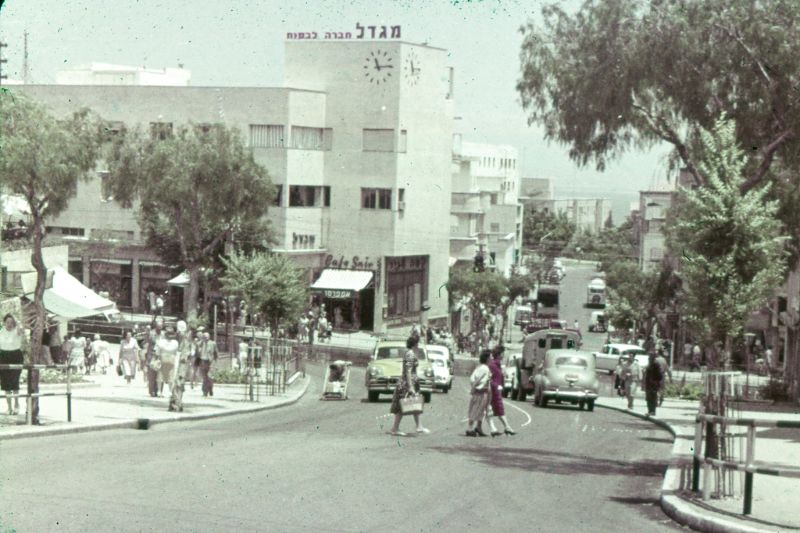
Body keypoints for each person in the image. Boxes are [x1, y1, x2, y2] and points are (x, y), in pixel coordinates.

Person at [388, 336, 429, 437]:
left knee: (415, 403)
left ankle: (419, 426)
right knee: (402, 405)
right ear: (415, 344)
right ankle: (395, 428)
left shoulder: (410, 353)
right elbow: (408, 371)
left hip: (411, 382)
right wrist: (410, 386)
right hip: (407, 383)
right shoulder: (410, 354)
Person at [487, 345, 515, 436]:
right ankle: (506, 427)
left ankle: (502, 427)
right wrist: (496, 386)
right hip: (493, 391)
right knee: (497, 408)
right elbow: (489, 378)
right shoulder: (493, 365)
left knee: (491, 409)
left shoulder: (498, 364)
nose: (504, 355)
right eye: (503, 353)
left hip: (496, 390)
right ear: (499, 354)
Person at [0, 314, 24, 415]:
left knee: (14, 382)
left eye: (11, 322)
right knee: (6, 384)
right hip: (3, 356)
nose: (9, 324)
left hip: (15, 356)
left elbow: (22, 328)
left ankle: (16, 405)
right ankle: (9, 407)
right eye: (7, 322)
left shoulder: (17, 330)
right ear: (4, 323)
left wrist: (17, 320)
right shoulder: (1, 331)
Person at [466, 350, 491, 437]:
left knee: (481, 410)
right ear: (487, 358)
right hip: (480, 392)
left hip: (482, 392)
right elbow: (477, 379)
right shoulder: (484, 368)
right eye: (490, 357)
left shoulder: (480, 367)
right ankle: (469, 429)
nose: (491, 359)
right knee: (475, 409)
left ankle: (479, 428)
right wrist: (473, 388)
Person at [157, 326, 180, 397]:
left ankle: (159, 391)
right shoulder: (175, 343)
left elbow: (158, 352)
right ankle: (170, 392)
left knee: (160, 376)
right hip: (172, 359)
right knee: (171, 376)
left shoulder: (161, 342)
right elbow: (176, 352)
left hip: (162, 358)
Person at [643, 352, 664, 416]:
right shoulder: (649, 365)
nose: (649, 358)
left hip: (654, 384)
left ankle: (653, 411)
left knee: (653, 397)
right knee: (648, 398)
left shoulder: (656, 365)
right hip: (648, 384)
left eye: (650, 357)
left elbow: (660, 375)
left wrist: (655, 381)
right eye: (649, 357)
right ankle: (649, 411)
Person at [197, 332, 217, 397]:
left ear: (209, 337)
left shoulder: (213, 343)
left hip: (210, 362)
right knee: (204, 378)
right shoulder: (201, 343)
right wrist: (202, 341)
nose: (206, 338)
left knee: (210, 377)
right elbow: (197, 347)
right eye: (204, 337)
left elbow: (216, 353)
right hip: (203, 361)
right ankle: (205, 392)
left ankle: (210, 388)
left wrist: (215, 363)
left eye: (207, 337)